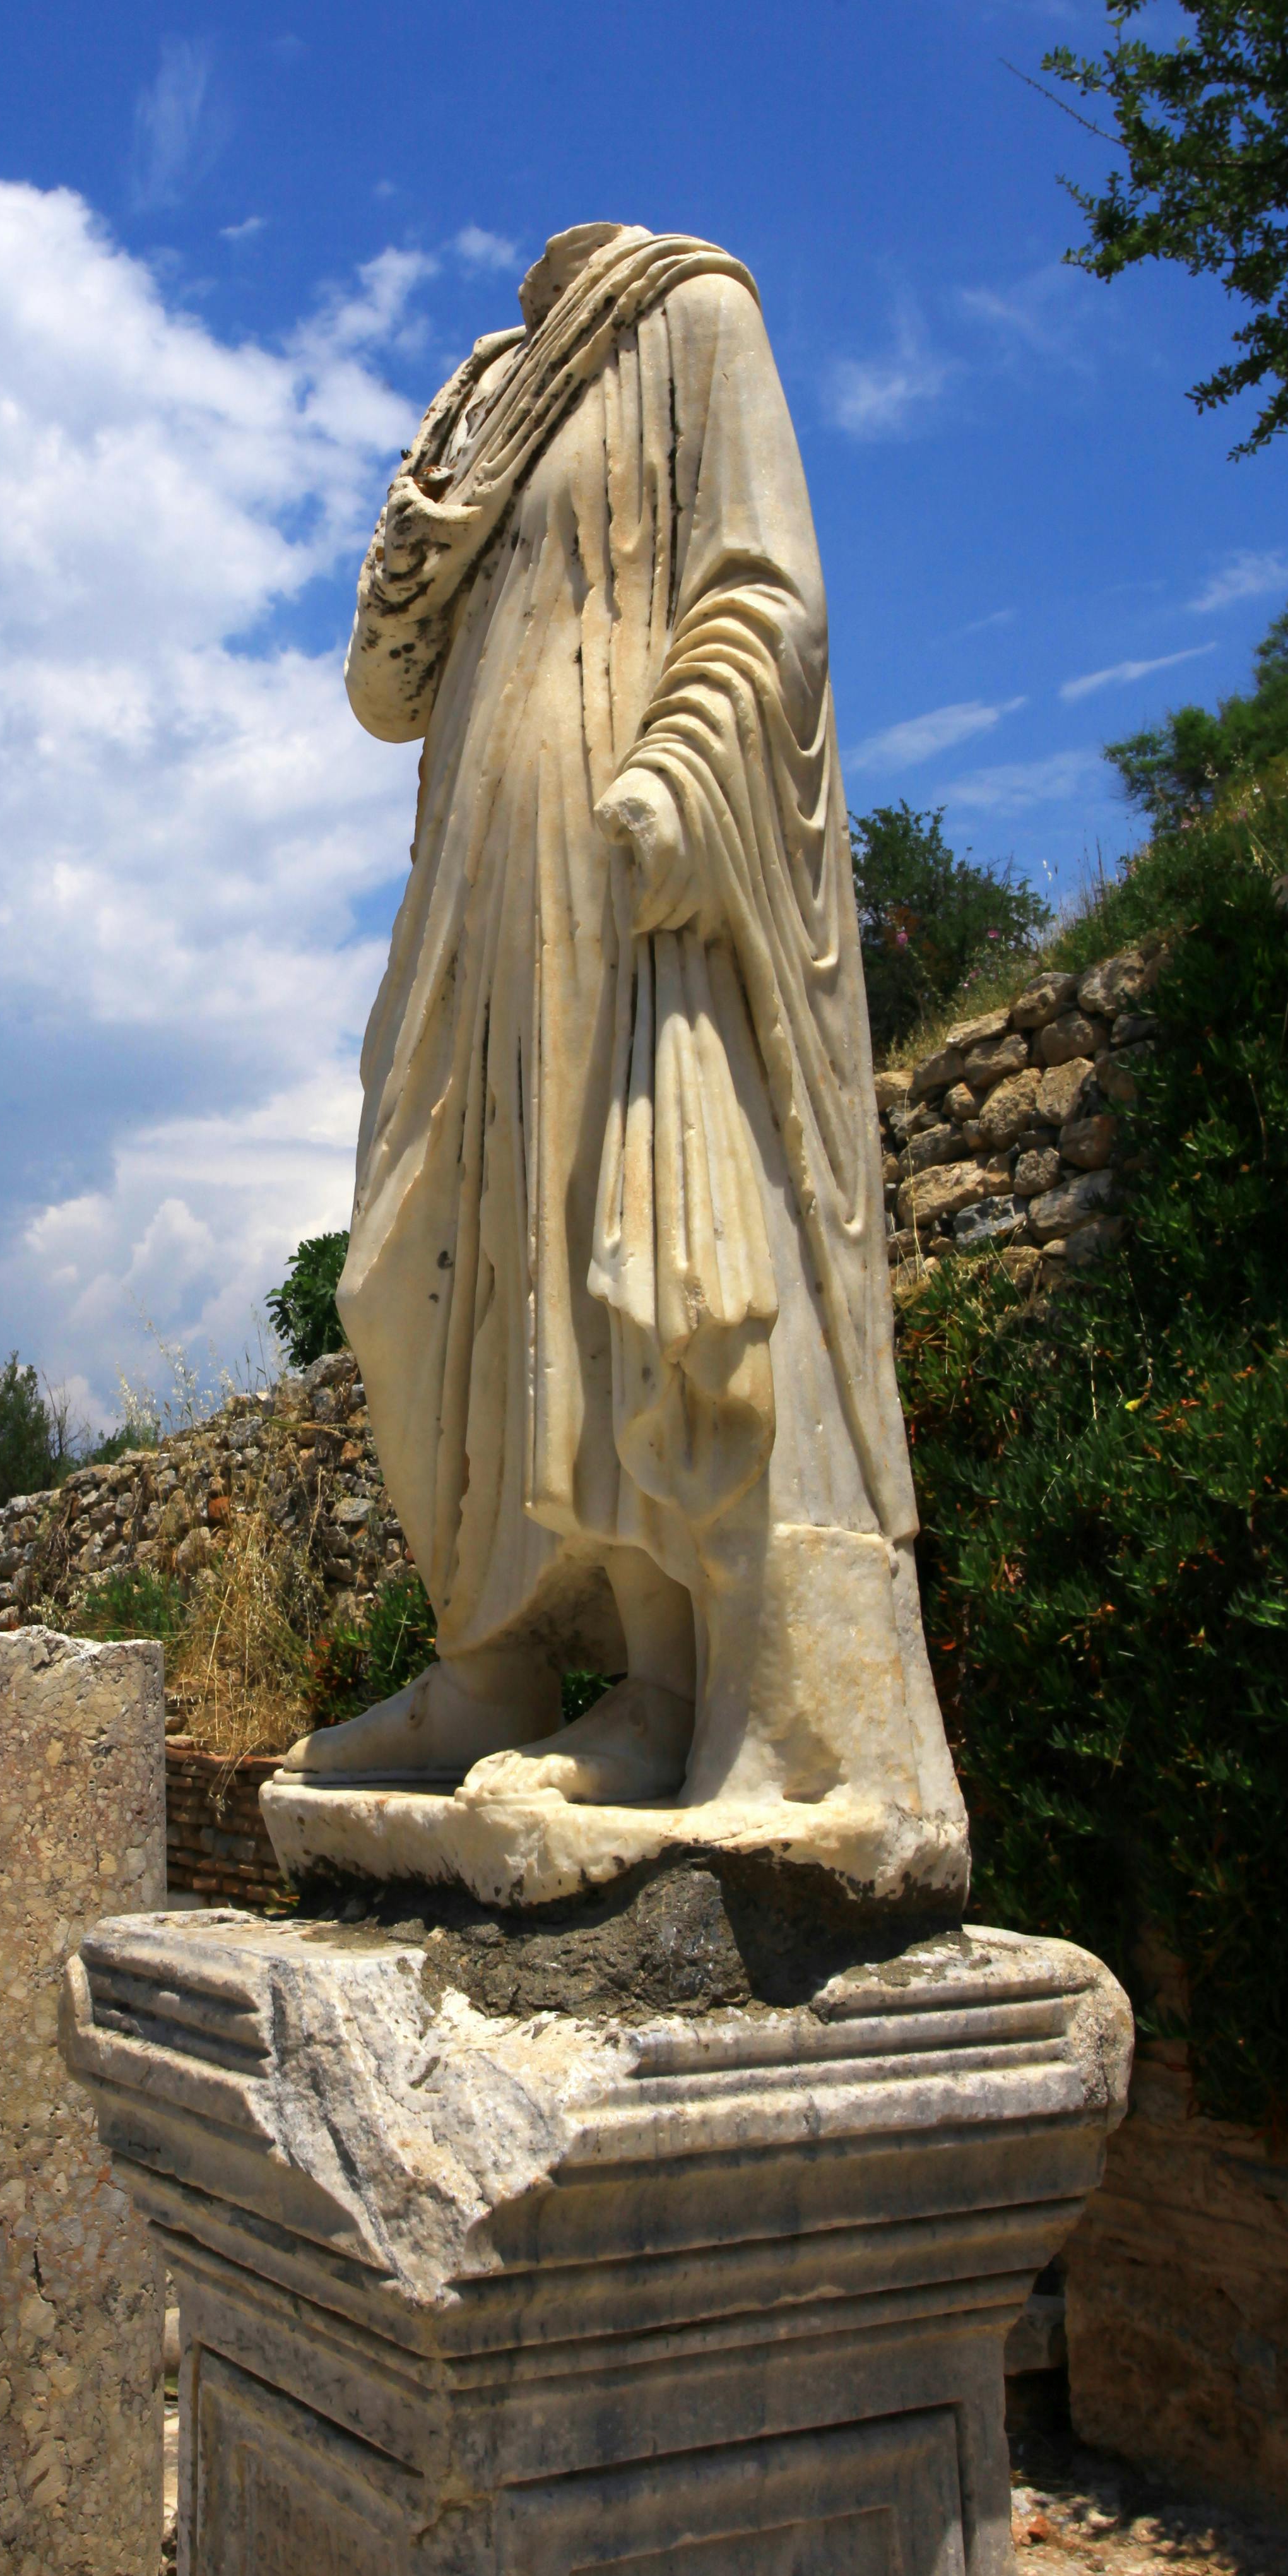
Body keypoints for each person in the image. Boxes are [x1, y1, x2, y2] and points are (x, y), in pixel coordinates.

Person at [276, 222, 965, 1899]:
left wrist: (683, 766)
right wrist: (419, 537)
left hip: (621, 851)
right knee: (411, 1267)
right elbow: (381, 696)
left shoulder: (691, 310)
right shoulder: (485, 404)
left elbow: (766, 590)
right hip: (470, 884)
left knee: (622, 1268)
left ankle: (665, 1692)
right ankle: (493, 1664)